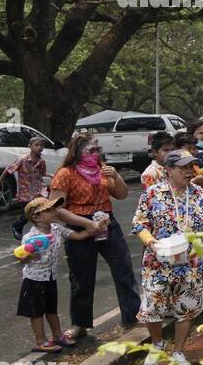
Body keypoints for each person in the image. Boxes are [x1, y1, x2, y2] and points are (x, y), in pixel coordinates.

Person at [49, 132, 141, 337]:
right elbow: (56, 209)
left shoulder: (103, 171)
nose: (96, 154)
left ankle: (132, 315)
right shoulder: (66, 174)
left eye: (98, 150)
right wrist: (87, 224)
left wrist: (115, 176)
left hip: (107, 222)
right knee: (82, 275)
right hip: (80, 224)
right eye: (91, 150)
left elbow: (122, 194)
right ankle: (80, 324)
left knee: (123, 267)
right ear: (78, 153)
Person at [131, 149, 203, 365]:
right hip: (157, 262)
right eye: (184, 168)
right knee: (151, 307)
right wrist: (151, 242)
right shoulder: (152, 193)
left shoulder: (198, 193)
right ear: (168, 170)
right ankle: (157, 345)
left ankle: (178, 351)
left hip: (190, 262)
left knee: (186, 308)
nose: (190, 172)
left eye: (191, 167)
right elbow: (139, 224)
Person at [15, 195, 103, 352]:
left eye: (54, 209)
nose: (54, 212)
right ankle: (40, 341)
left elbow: (76, 236)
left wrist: (94, 229)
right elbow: (20, 257)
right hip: (34, 279)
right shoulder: (30, 237)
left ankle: (57, 335)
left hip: (50, 277)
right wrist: (27, 256)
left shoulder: (56, 229)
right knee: (36, 312)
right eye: (48, 210)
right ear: (36, 217)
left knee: (51, 308)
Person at [4, 134, 50, 240]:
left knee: (42, 211)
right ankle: (17, 225)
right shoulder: (22, 159)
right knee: (29, 213)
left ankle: (40, 234)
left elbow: (42, 173)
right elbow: (8, 169)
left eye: (41, 145)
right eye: (36, 145)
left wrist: (52, 175)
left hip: (38, 190)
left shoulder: (41, 161)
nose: (39, 147)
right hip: (25, 192)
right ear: (30, 146)